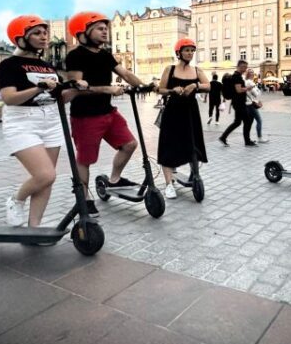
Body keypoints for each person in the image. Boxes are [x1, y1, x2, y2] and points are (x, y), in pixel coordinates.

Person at [65, 12, 147, 215]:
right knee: (85, 159)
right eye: (100, 28)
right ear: (84, 32)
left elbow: (125, 74)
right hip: (85, 116)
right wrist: (107, 89)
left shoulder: (105, 55)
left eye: (105, 28)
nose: (105, 31)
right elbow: (77, 88)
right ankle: (84, 197)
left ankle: (114, 181)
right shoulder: (75, 56)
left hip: (107, 112)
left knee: (129, 144)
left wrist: (144, 86)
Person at [0, 15, 62, 228]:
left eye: (45, 33)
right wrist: (39, 87)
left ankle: (35, 227)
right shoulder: (9, 65)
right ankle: (16, 200)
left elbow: (58, 97)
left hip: (50, 120)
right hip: (22, 121)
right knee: (45, 174)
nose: (44, 37)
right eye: (37, 33)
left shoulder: (46, 65)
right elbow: (9, 98)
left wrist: (75, 89)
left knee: (47, 180)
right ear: (21, 37)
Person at [157, 38, 210, 198]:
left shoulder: (197, 71)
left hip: (190, 112)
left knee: (193, 144)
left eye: (192, 50)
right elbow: (160, 89)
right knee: (168, 145)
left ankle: (195, 175)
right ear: (179, 52)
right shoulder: (170, 69)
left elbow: (208, 86)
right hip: (173, 111)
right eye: (187, 50)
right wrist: (173, 90)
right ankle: (168, 185)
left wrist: (195, 86)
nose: (190, 53)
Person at [218, 59, 255, 147]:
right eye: (243, 67)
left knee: (237, 122)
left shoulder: (237, 76)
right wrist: (247, 88)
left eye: (246, 67)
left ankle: (223, 137)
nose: (245, 69)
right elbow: (238, 90)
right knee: (248, 121)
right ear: (239, 66)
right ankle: (247, 141)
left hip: (238, 103)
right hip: (239, 103)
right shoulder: (237, 77)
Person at [245, 68, 268, 143]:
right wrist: (258, 89)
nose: (252, 73)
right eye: (250, 72)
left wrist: (256, 89)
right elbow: (256, 94)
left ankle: (248, 139)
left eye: (252, 72)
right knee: (259, 120)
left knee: (250, 122)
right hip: (251, 104)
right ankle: (259, 138)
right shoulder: (250, 82)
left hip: (248, 104)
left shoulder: (247, 81)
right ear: (248, 74)